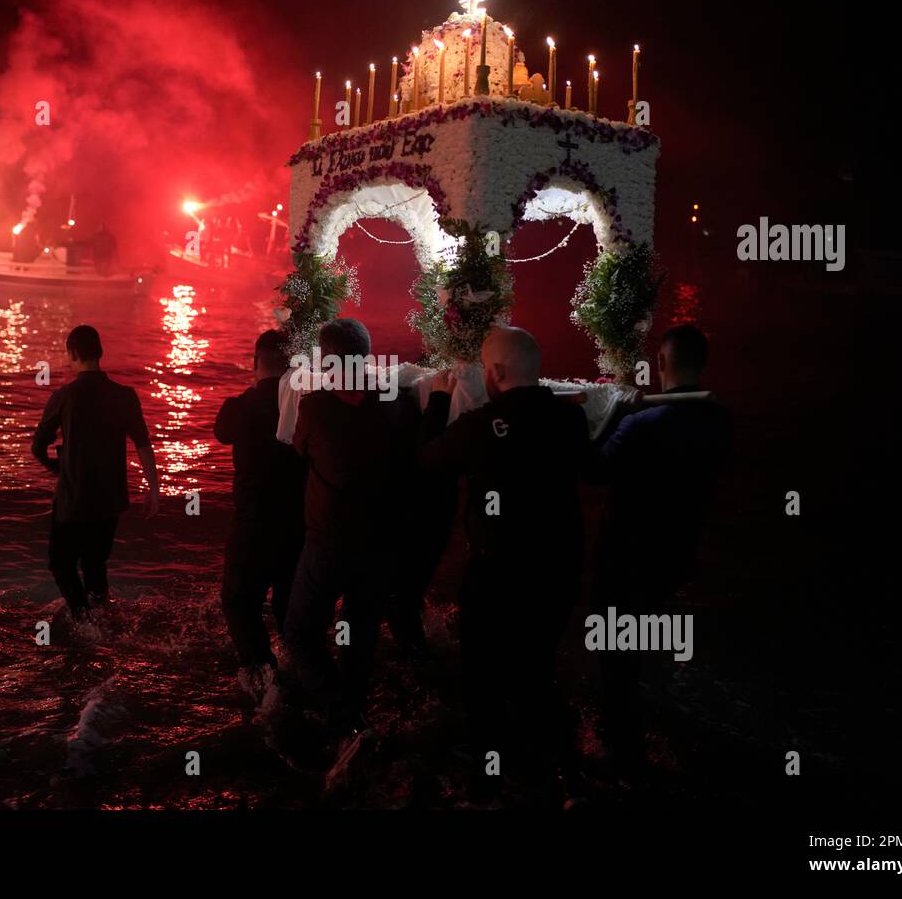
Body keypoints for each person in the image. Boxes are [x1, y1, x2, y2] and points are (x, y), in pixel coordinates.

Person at [417, 326, 589, 799]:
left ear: (494, 372)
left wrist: (437, 400)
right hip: (559, 566)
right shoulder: (572, 421)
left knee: (483, 676)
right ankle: (566, 775)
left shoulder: (477, 428)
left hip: (498, 572)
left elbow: (428, 459)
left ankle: (488, 780)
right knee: (537, 666)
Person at [584, 323, 732, 770]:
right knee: (638, 637)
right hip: (676, 550)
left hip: (626, 554)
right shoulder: (719, 421)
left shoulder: (641, 422)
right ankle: (637, 725)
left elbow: (593, 471)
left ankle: (619, 746)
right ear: (703, 364)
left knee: (614, 650)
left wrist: (610, 413)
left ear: (662, 363)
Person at [284, 318, 420, 754]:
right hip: (383, 541)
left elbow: (299, 448)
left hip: (329, 541)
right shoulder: (396, 402)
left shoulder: (316, 406)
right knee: (359, 630)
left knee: (301, 631)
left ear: (326, 360)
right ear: (366, 354)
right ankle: (356, 718)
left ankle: (343, 716)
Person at [31, 325, 160, 620]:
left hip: (73, 497)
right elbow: (143, 445)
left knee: (61, 563)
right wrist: (154, 490)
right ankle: (102, 618)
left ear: (73, 354)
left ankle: (84, 619)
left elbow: (38, 448)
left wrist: (59, 469)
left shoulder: (64, 397)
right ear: (100, 352)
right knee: (95, 562)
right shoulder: (124, 396)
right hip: (110, 499)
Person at [214, 330, 306, 698]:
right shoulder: (304, 408)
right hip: (298, 525)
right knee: (288, 603)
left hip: (253, 523)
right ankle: (301, 670)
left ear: (255, 364)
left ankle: (263, 675)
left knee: (239, 600)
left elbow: (222, 432)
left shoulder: (241, 407)